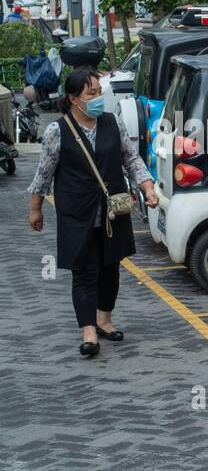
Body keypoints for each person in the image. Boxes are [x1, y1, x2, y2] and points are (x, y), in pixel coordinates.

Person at [26, 67, 158, 357]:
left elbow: (130, 158)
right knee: (85, 271)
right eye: (92, 94)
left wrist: (148, 187)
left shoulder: (112, 123)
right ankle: (88, 331)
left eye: (100, 92)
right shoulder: (56, 131)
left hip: (112, 212)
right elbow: (43, 174)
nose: (98, 98)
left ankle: (104, 320)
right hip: (77, 213)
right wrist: (36, 209)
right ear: (75, 99)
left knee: (111, 267)